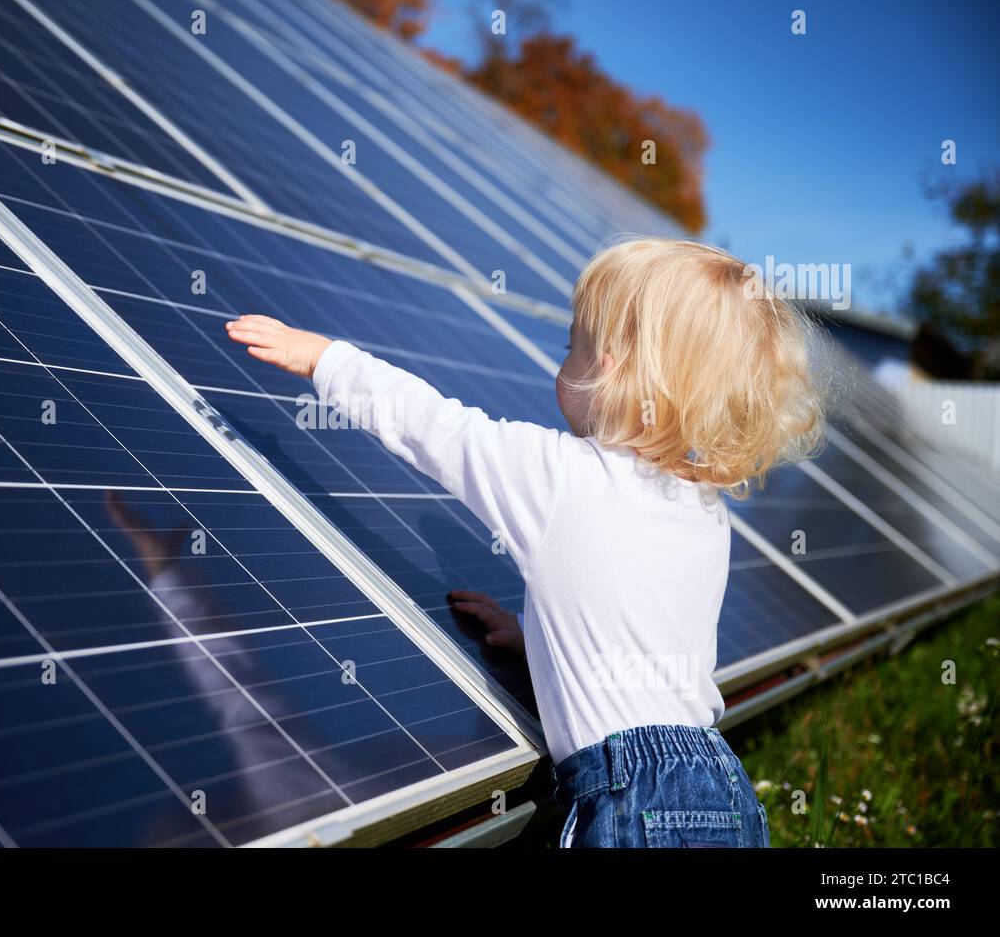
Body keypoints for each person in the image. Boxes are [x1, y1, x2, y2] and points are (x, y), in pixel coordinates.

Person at [224, 236, 825, 847]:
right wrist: (535, 633)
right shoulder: (702, 506)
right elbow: (648, 627)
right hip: (720, 783)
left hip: (632, 794)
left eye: (573, 347)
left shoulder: (560, 474)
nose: (560, 362)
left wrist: (325, 358)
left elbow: (435, 428)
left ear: (609, 369)